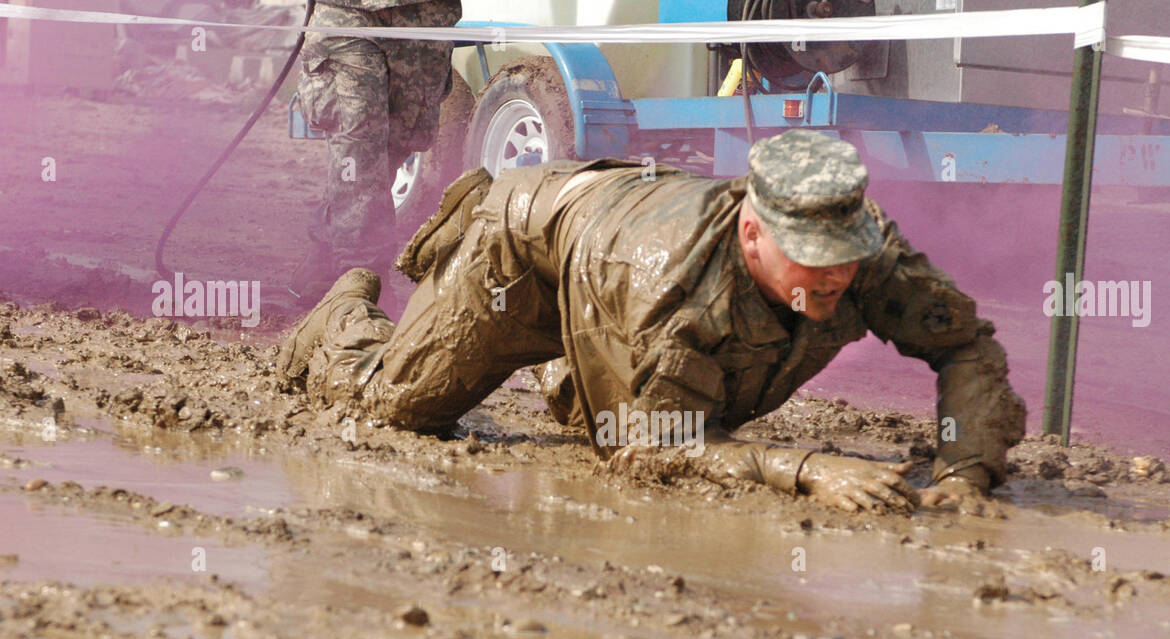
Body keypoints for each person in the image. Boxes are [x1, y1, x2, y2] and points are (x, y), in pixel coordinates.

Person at [276, 129, 1027, 514]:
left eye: (847, 253)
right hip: (523, 250)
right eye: (813, 257)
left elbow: (966, 346)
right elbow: (646, 449)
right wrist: (805, 471)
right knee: (396, 409)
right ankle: (344, 314)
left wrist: (966, 472)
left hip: (613, 258)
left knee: (640, 395)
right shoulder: (668, 280)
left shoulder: (870, 256)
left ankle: (577, 367)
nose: (836, 275)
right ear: (753, 233)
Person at [289, 0, 462, 302]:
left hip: (425, 21)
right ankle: (361, 284)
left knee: (396, 147)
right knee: (360, 149)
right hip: (348, 16)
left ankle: (326, 253)